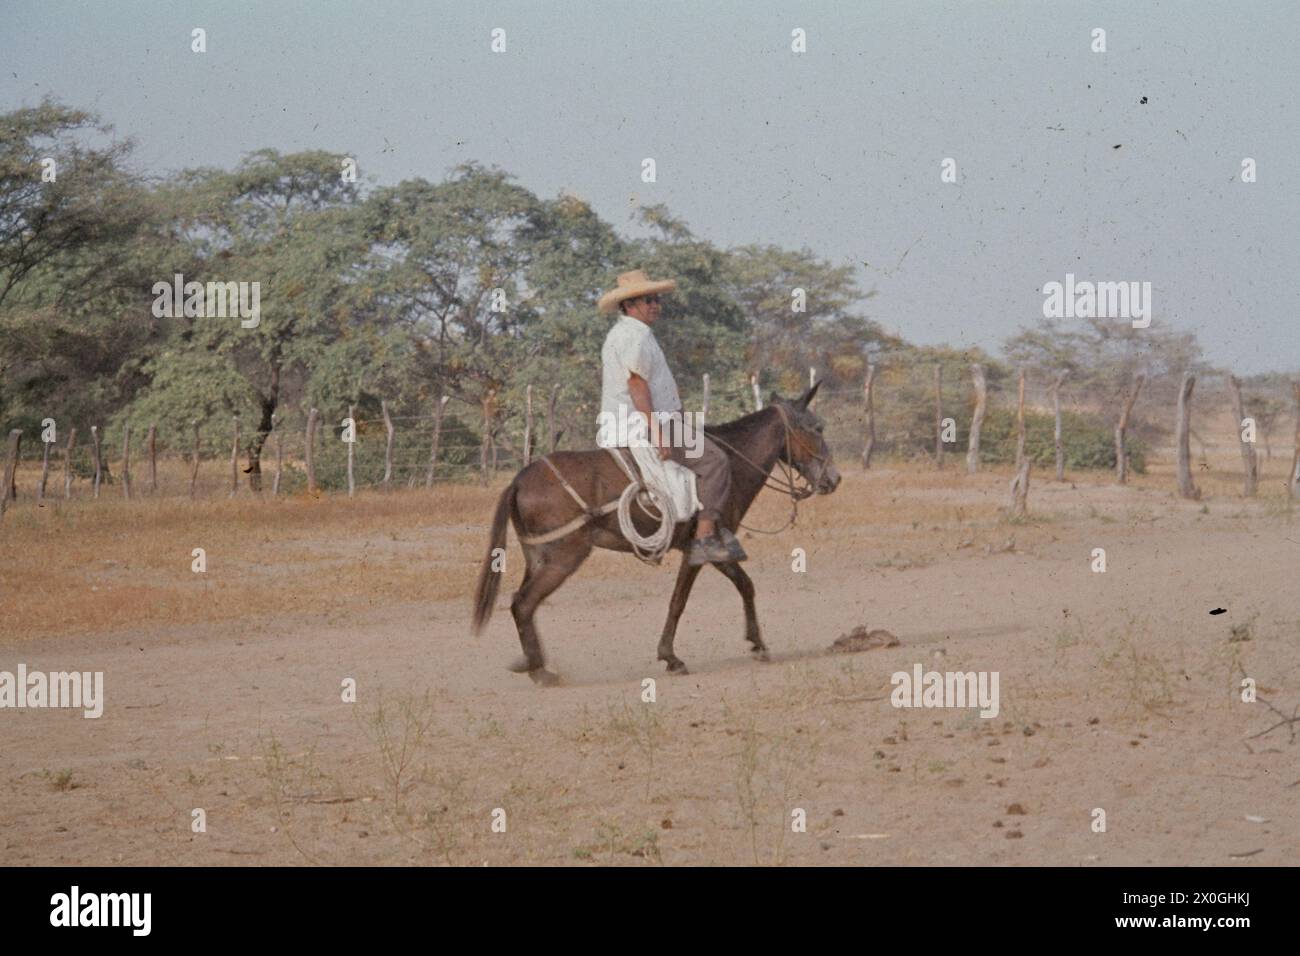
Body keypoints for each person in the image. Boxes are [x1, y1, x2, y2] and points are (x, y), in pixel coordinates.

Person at [595, 269, 746, 566]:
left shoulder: (634, 334)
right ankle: (703, 537)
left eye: (657, 299)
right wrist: (659, 433)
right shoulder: (632, 338)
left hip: (649, 421)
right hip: (643, 424)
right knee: (715, 461)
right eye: (648, 300)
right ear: (628, 305)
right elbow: (637, 386)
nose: (655, 305)